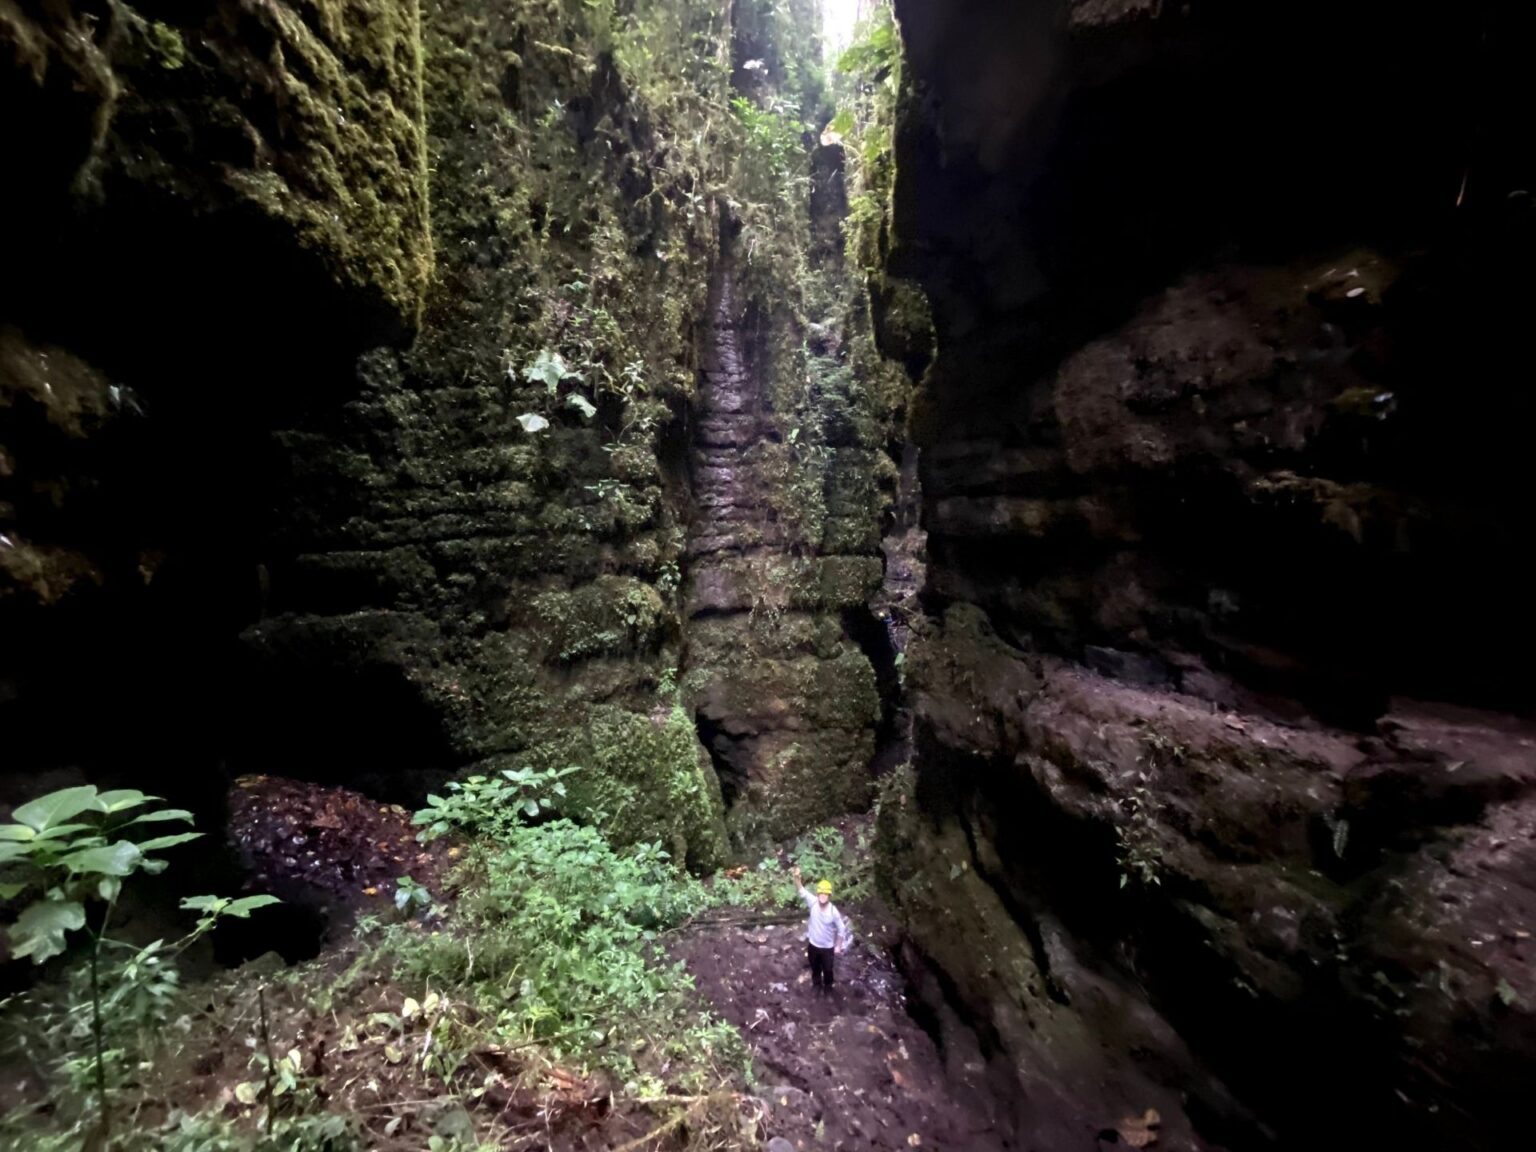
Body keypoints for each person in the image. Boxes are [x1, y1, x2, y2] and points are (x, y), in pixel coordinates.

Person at [791, 864, 851, 993]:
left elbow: (841, 929)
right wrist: (796, 877)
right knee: (815, 968)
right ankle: (816, 986)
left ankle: (828, 989)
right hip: (813, 945)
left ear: (829, 896)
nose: (823, 896)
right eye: (821, 893)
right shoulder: (812, 902)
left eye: (826, 894)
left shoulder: (833, 911)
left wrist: (838, 946)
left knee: (828, 970)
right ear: (817, 894)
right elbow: (801, 890)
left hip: (827, 948)